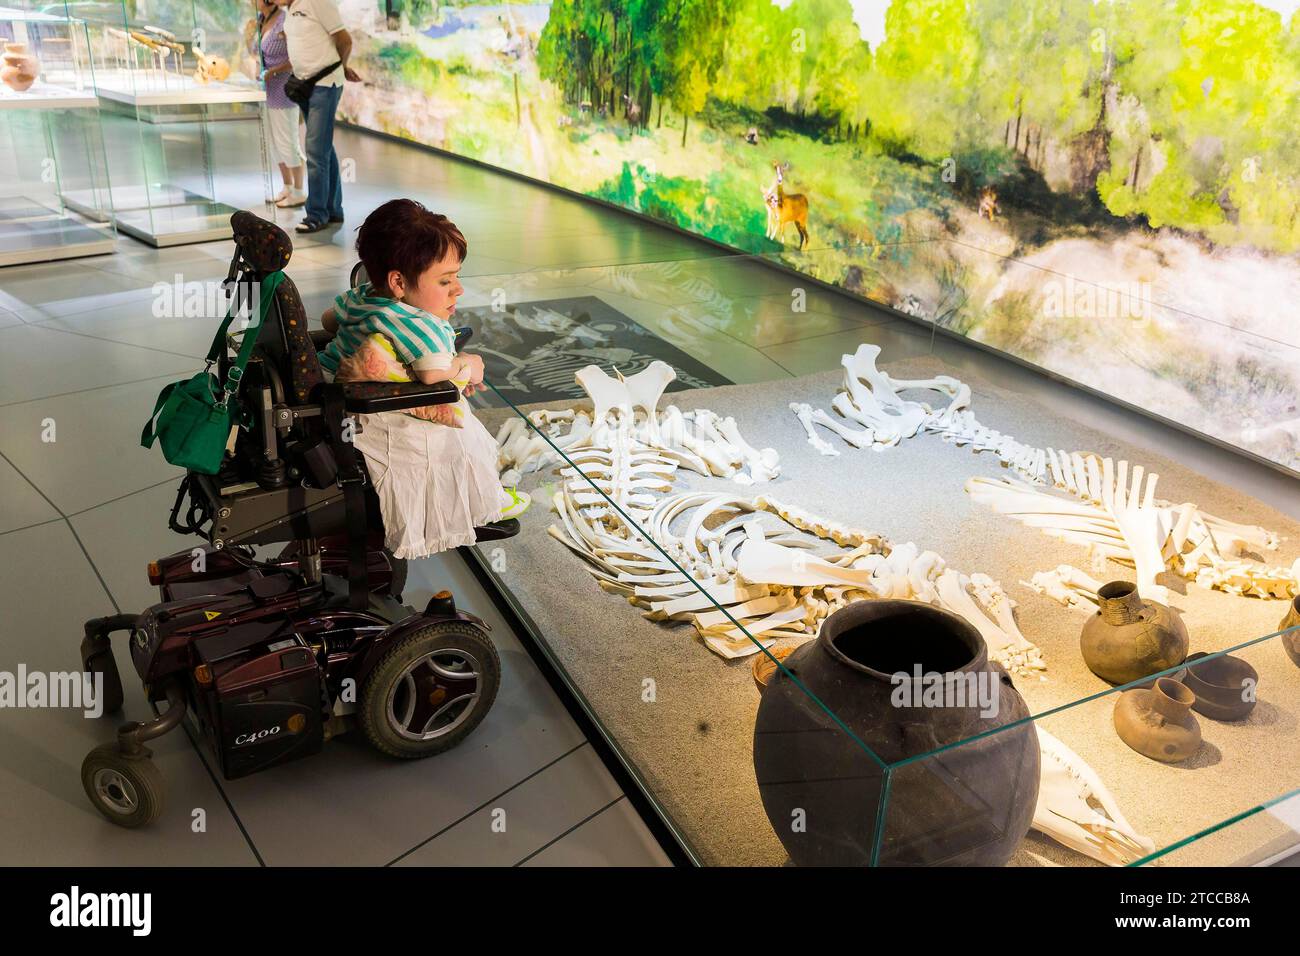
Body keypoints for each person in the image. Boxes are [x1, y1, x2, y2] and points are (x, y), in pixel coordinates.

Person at [317, 199, 529, 559]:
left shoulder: (361, 296)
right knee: (463, 428)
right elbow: (432, 373)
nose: (458, 289)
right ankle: (483, 501)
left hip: (329, 394)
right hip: (373, 414)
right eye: (445, 280)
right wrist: (467, 366)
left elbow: (328, 321)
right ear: (398, 282)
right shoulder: (421, 325)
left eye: (457, 277)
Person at [277, 0, 358, 233]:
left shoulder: (317, 2)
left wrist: (341, 67)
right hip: (305, 85)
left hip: (325, 84)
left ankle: (316, 214)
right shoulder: (291, 8)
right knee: (323, 148)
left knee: (315, 150)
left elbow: (345, 40)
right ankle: (333, 209)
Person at [251, 0, 306, 208]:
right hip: (267, 90)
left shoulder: (284, 20)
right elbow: (256, 52)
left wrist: (273, 71)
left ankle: (299, 191)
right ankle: (287, 186)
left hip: (284, 90)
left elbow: (296, 58)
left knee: (288, 142)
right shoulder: (261, 20)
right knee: (275, 144)